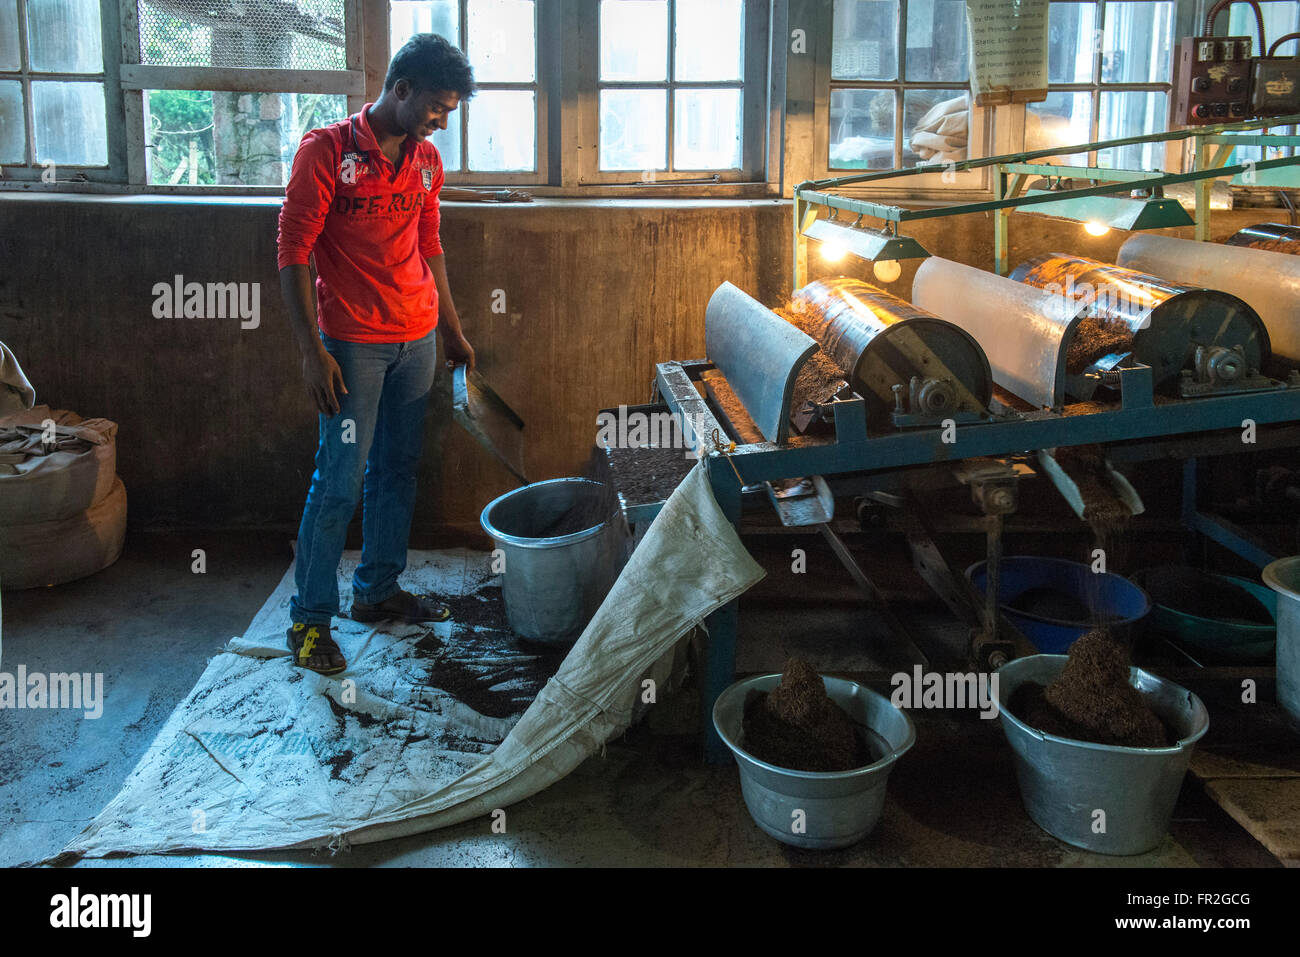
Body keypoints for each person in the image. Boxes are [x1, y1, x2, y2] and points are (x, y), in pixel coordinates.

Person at [276, 33, 480, 675]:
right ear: (401, 89)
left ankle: (376, 591)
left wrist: (452, 329)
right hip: (351, 348)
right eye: (437, 106)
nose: (442, 120)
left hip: (416, 338)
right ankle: (309, 624)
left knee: (396, 469)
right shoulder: (327, 151)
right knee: (337, 482)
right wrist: (312, 353)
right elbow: (293, 252)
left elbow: (431, 245)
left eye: (450, 110)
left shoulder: (425, 162)